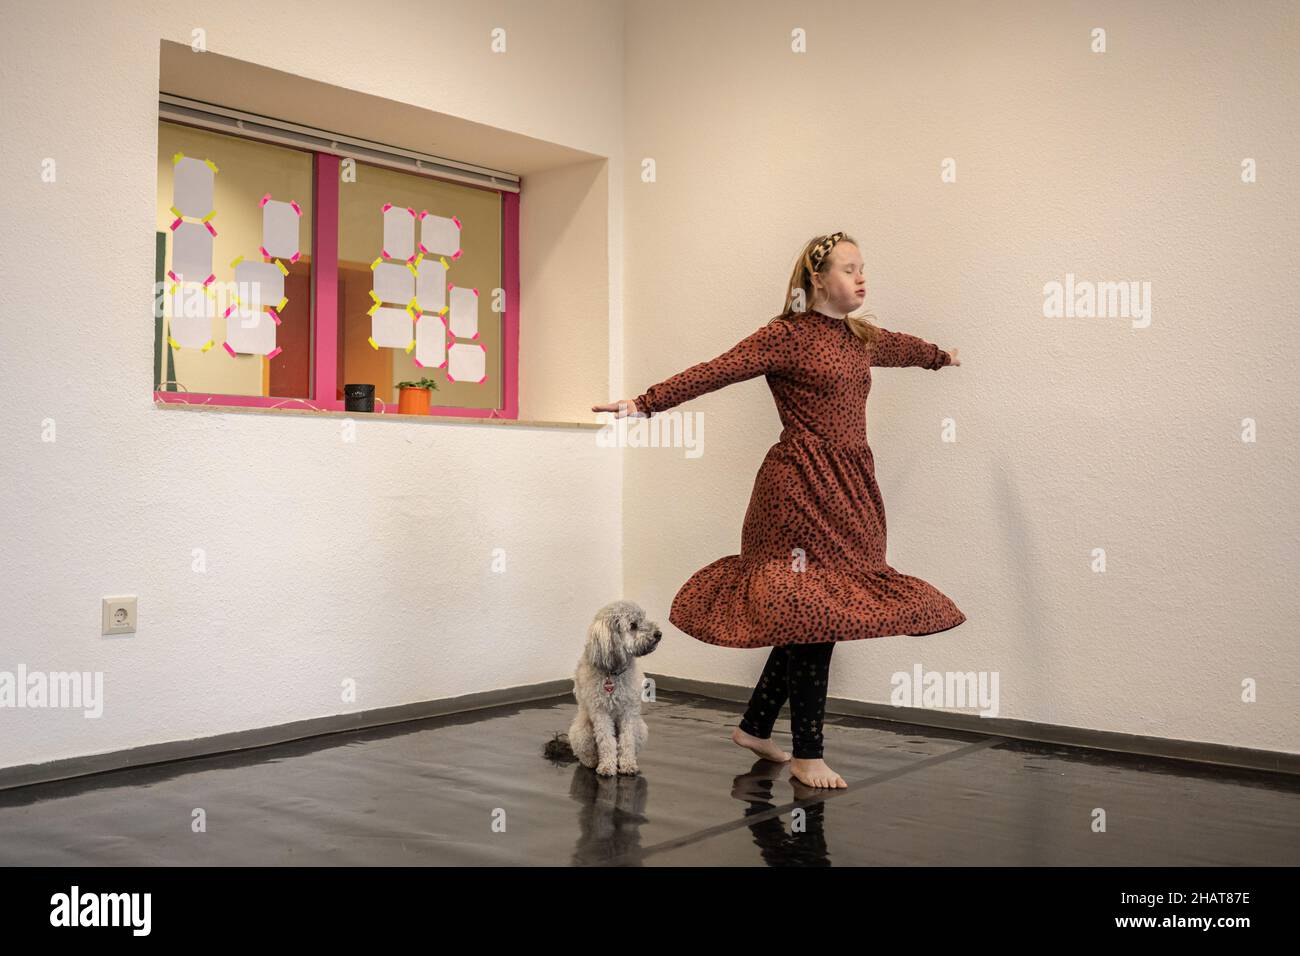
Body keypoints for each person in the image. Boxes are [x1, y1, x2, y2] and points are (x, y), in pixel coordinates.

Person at [593, 232, 966, 789]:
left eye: (864, 268)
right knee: (815, 609)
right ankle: (808, 754)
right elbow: (717, 369)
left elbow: (902, 348)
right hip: (797, 491)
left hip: (851, 488)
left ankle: (755, 726)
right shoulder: (786, 336)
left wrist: (940, 357)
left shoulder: (859, 337)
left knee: (819, 608)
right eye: (849, 269)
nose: (861, 278)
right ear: (817, 278)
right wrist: (643, 403)